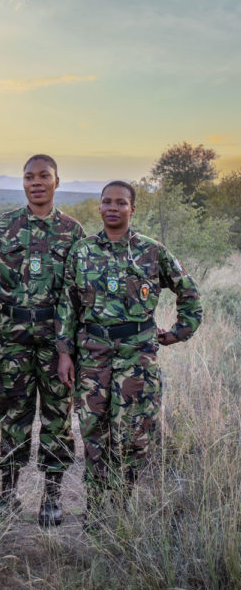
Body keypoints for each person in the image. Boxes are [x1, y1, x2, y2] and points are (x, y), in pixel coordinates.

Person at [56, 180, 202, 525]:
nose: (112, 207)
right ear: (100, 207)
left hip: (137, 356)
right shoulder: (82, 251)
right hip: (92, 354)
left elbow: (189, 293)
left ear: (132, 209)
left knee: (132, 435)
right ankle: (96, 506)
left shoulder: (153, 251)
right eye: (107, 201)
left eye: (120, 202)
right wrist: (64, 352)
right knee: (93, 433)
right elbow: (67, 304)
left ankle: (120, 506)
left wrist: (178, 333)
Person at [0, 154, 85, 525]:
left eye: (43, 176)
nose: (35, 182)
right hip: (11, 340)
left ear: (57, 181)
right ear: (22, 182)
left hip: (56, 344)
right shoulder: (5, 226)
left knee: (57, 418)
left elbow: (77, 295)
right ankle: (7, 494)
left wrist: (69, 348)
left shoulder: (72, 231)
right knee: (13, 416)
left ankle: (51, 497)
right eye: (28, 177)